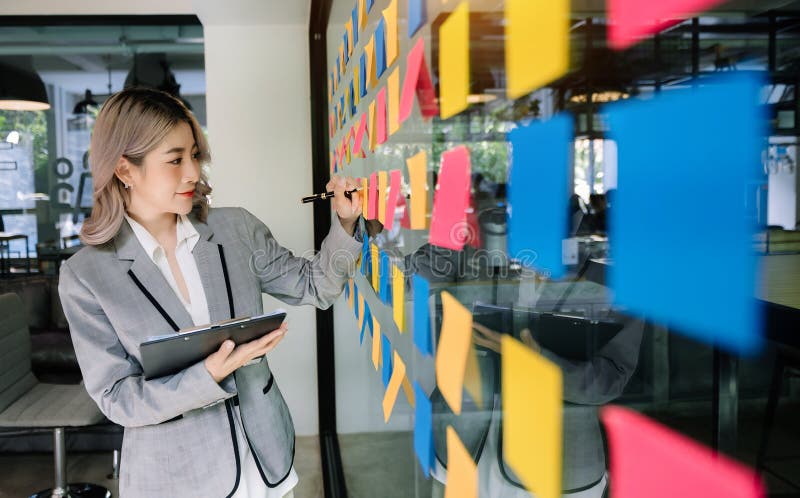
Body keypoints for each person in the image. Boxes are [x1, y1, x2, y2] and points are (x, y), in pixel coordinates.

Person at [57, 87, 363, 498]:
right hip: (177, 475)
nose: (192, 173)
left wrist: (345, 223)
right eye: (175, 160)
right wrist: (208, 375)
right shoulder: (85, 276)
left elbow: (316, 286)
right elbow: (117, 398)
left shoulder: (237, 230)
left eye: (195, 156)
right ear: (125, 169)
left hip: (265, 457)